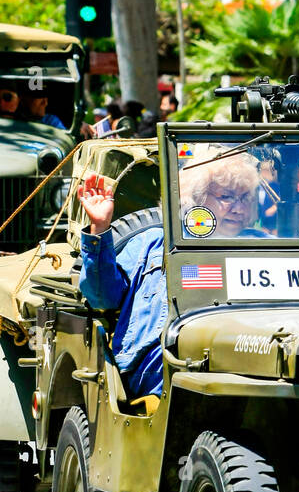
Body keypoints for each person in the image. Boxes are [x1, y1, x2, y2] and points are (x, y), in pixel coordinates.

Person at [77, 153, 260, 398]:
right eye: (226, 197)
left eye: (245, 198)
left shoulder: (263, 246)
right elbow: (103, 297)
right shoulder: (154, 243)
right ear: (196, 198)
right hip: (161, 363)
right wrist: (99, 228)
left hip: (246, 358)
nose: (238, 208)